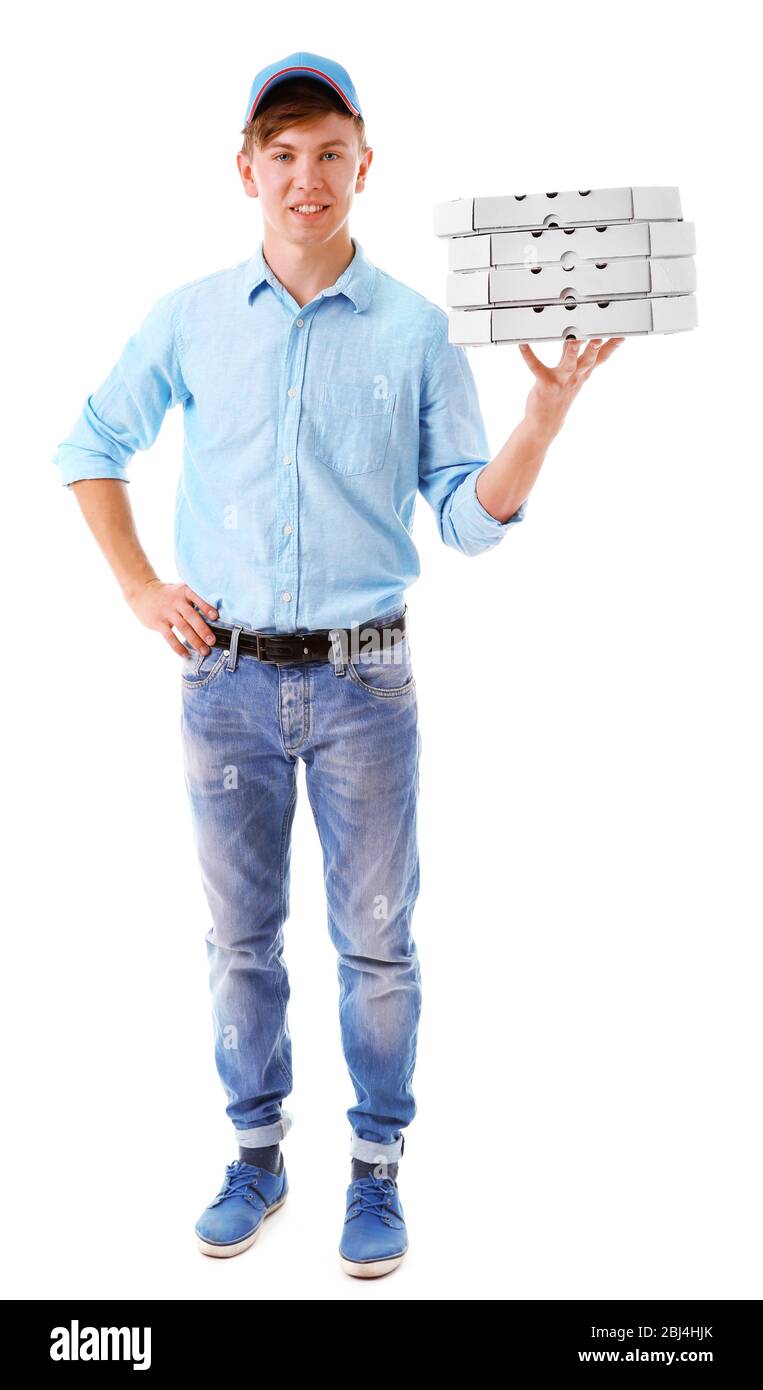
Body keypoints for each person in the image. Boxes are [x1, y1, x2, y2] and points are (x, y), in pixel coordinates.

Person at [52, 50, 623, 1279]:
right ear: (246, 168)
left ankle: (374, 1172)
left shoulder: (415, 327)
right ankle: (255, 1156)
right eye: (283, 152)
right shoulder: (188, 318)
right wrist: (141, 586)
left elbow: (466, 522)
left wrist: (540, 420)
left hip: (368, 688)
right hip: (225, 685)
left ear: (366, 163)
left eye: (329, 152)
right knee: (239, 937)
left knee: (377, 941)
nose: (306, 177)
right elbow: (88, 443)